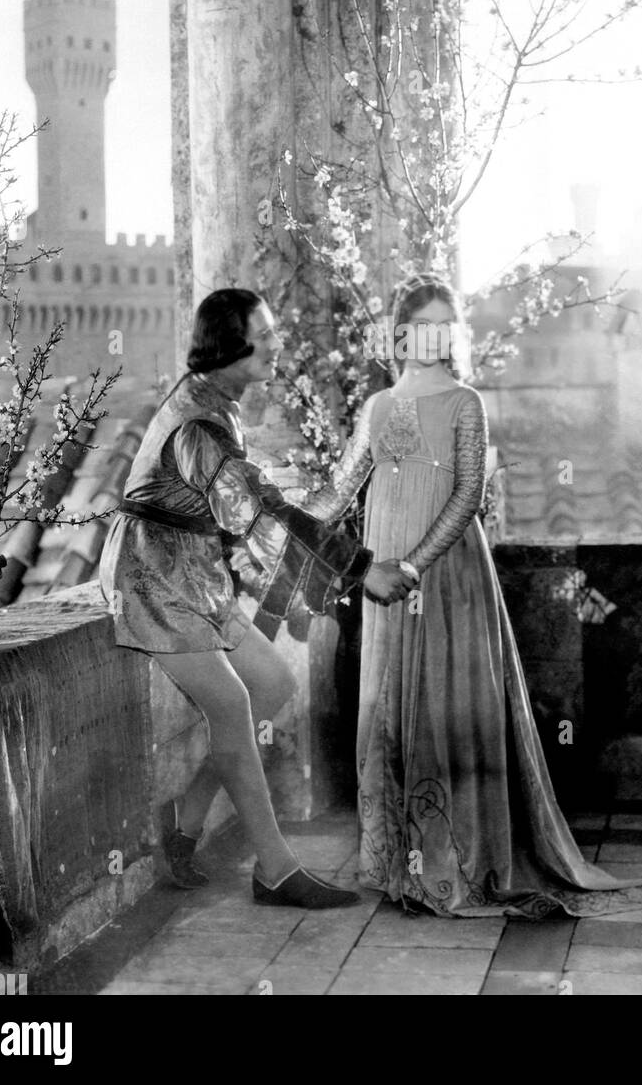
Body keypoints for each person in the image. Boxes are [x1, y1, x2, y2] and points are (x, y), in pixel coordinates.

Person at [305, 273, 642, 918]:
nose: (431, 337)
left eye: (441, 325)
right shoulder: (377, 409)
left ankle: (459, 859)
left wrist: (412, 567)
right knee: (391, 709)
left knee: (449, 706)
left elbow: (467, 497)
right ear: (399, 333)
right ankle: (398, 860)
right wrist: (276, 523)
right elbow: (338, 492)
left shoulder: (465, 402)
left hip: (446, 575)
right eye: (419, 324)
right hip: (385, 573)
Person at [99, 288, 409, 910]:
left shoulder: (217, 402)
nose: (276, 344)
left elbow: (253, 505)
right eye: (263, 335)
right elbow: (256, 511)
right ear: (227, 344)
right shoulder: (198, 426)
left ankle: (183, 825)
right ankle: (275, 868)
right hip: (152, 578)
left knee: (270, 684)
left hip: (194, 571)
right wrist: (360, 569)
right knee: (235, 702)